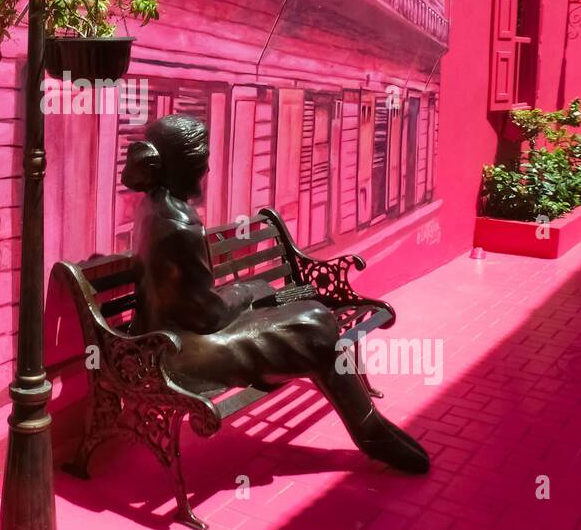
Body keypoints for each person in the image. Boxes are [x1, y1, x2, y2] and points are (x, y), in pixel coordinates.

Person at [122, 114, 429, 474]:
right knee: (314, 324)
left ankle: (369, 424)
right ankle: (370, 430)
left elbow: (194, 301)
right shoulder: (178, 225)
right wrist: (250, 290)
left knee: (303, 311)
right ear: (181, 165)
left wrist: (255, 293)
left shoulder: (156, 209)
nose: (206, 168)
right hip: (180, 353)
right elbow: (207, 316)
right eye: (200, 160)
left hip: (170, 337)